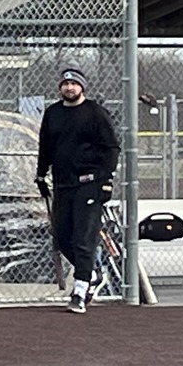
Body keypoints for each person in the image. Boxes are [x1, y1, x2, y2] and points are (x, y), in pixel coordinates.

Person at [35, 66, 120, 313]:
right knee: (62, 236)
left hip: (89, 183)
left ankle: (80, 291)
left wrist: (107, 180)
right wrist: (41, 174)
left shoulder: (95, 113)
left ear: (82, 87)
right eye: (65, 84)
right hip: (63, 184)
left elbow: (111, 148)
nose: (69, 88)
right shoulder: (53, 114)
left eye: (74, 84)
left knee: (84, 238)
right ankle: (91, 273)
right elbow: (45, 146)